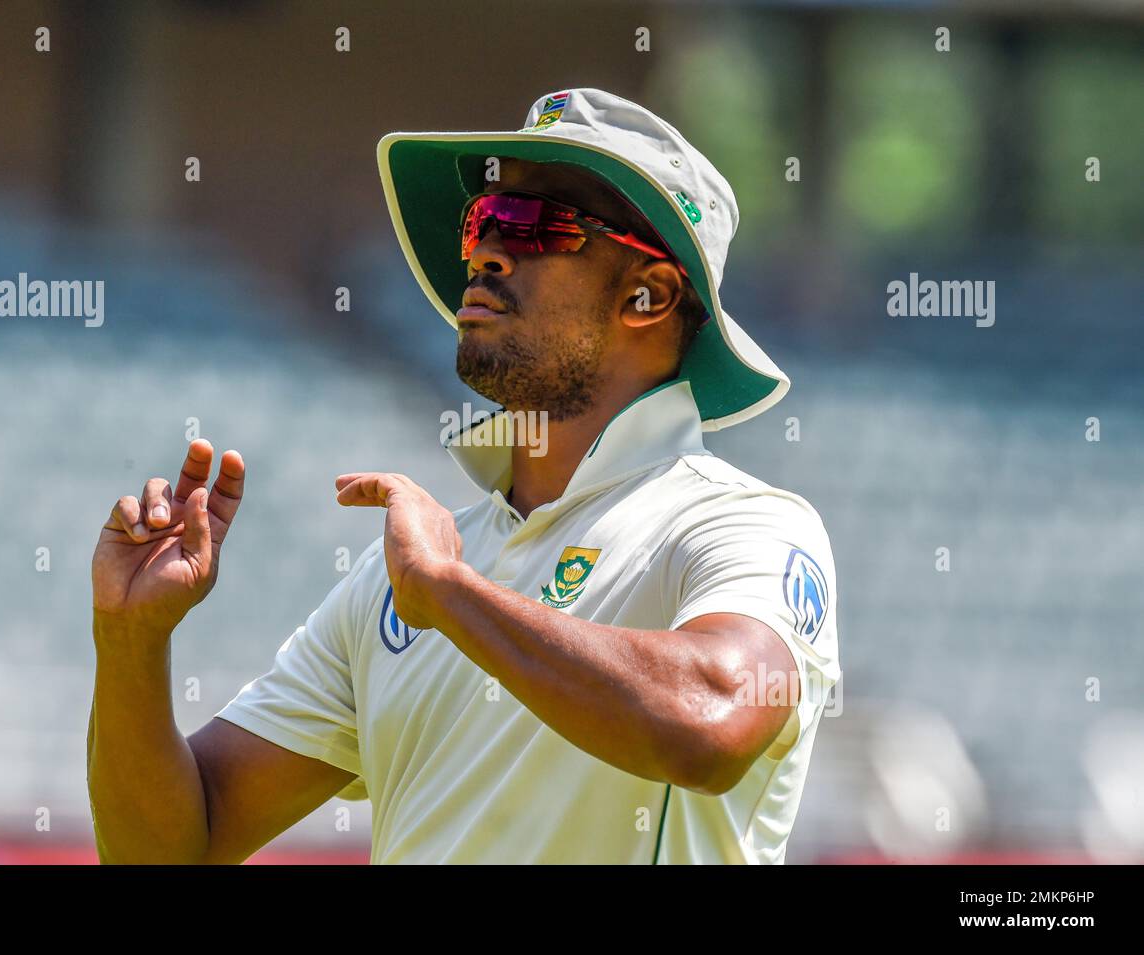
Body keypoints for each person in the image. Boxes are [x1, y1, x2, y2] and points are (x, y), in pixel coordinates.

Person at [88, 88, 840, 864]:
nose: (484, 253)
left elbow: (710, 724)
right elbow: (169, 851)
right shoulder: (405, 579)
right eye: (481, 223)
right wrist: (129, 640)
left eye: (532, 226)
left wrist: (450, 594)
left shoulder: (741, 524)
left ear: (646, 295)